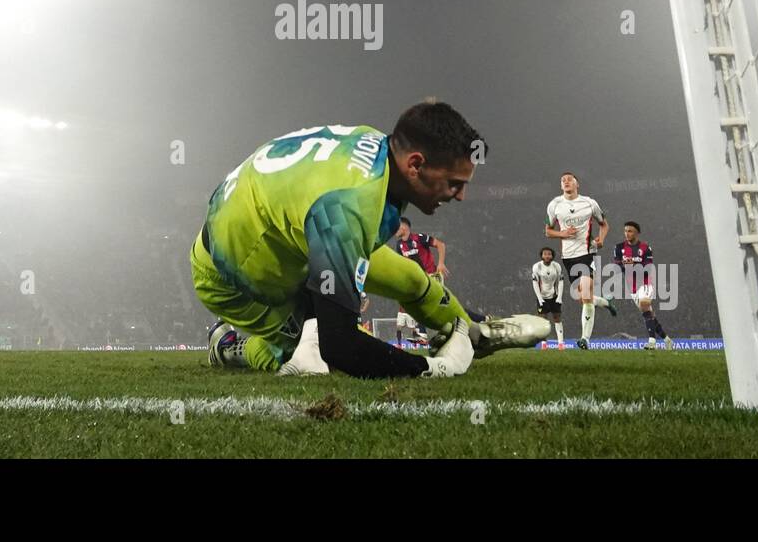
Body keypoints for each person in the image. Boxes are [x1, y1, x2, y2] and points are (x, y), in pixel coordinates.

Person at [195, 101, 547, 377]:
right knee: (310, 354)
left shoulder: (379, 154)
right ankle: (229, 346)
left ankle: (473, 333)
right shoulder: (351, 204)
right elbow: (341, 347)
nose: (460, 196)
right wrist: (433, 369)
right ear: (415, 164)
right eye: (454, 182)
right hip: (231, 274)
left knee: (411, 278)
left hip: (284, 235)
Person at [545, 172, 616, 349]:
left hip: (587, 253)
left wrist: (601, 239)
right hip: (568, 257)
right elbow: (548, 231)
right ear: (561, 186)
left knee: (585, 295)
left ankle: (585, 339)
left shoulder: (589, 203)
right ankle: (605, 302)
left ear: (577, 184)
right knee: (583, 298)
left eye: (569, 179)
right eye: (563, 180)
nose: (566, 181)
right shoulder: (554, 205)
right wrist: (562, 233)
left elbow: (604, 225)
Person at [613, 222, 672, 349]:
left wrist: (631, 267)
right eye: (625, 231)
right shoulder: (619, 248)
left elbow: (648, 267)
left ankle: (652, 342)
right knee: (649, 315)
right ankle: (667, 340)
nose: (627, 233)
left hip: (645, 283)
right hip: (632, 287)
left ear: (637, 233)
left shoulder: (645, 248)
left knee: (644, 304)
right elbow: (618, 266)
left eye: (630, 231)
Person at [531, 246, 565, 349]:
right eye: (545, 254)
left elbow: (561, 281)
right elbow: (535, 283)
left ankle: (560, 344)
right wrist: (540, 298)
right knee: (543, 321)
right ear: (541, 255)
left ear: (552, 256)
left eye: (549, 254)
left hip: (554, 297)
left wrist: (559, 297)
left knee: (557, 318)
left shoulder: (557, 266)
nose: (547, 256)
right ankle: (544, 344)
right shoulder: (537, 267)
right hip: (542, 298)